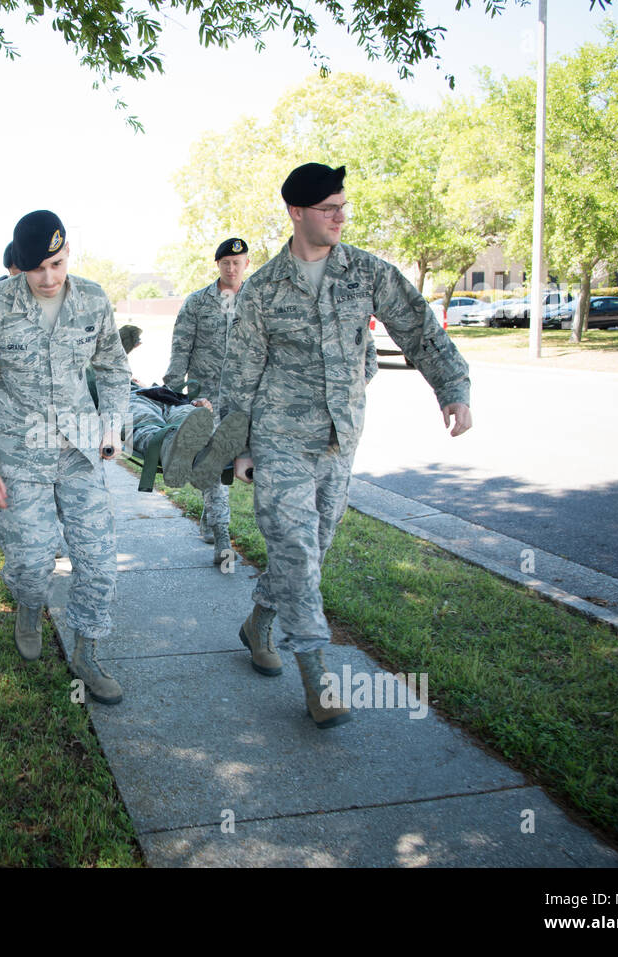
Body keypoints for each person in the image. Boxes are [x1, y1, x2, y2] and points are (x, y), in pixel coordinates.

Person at [220, 162, 472, 727]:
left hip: (341, 441)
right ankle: (318, 679)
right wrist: (240, 448)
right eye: (328, 208)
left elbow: (418, 326)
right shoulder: (262, 289)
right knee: (296, 551)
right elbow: (240, 376)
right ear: (297, 213)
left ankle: (258, 621)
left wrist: (452, 388)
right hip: (280, 441)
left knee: (316, 546)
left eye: (342, 207)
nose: (339, 216)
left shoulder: (366, 273)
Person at [0, 210, 130, 704]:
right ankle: (28, 604)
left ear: (69, 255)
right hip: (20, 459)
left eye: (58, 264)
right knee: (31, 563)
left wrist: (113, 421)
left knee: (100, 562)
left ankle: (86, 652)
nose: (49, 278)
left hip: (81, 454)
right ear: (19, 265)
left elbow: (112, 367)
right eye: (37, 268)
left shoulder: (92, 298)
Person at [165, 238, 253, 552]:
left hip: (248, 401)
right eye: (226, 262)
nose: (232, 268)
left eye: (237, 262)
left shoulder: (258, 301)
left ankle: (210, 519)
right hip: (208, 401)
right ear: (218, 264)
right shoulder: (197, 303)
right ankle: (221, 540)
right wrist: (175, 395)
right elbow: (180, 350)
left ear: (246, 264)